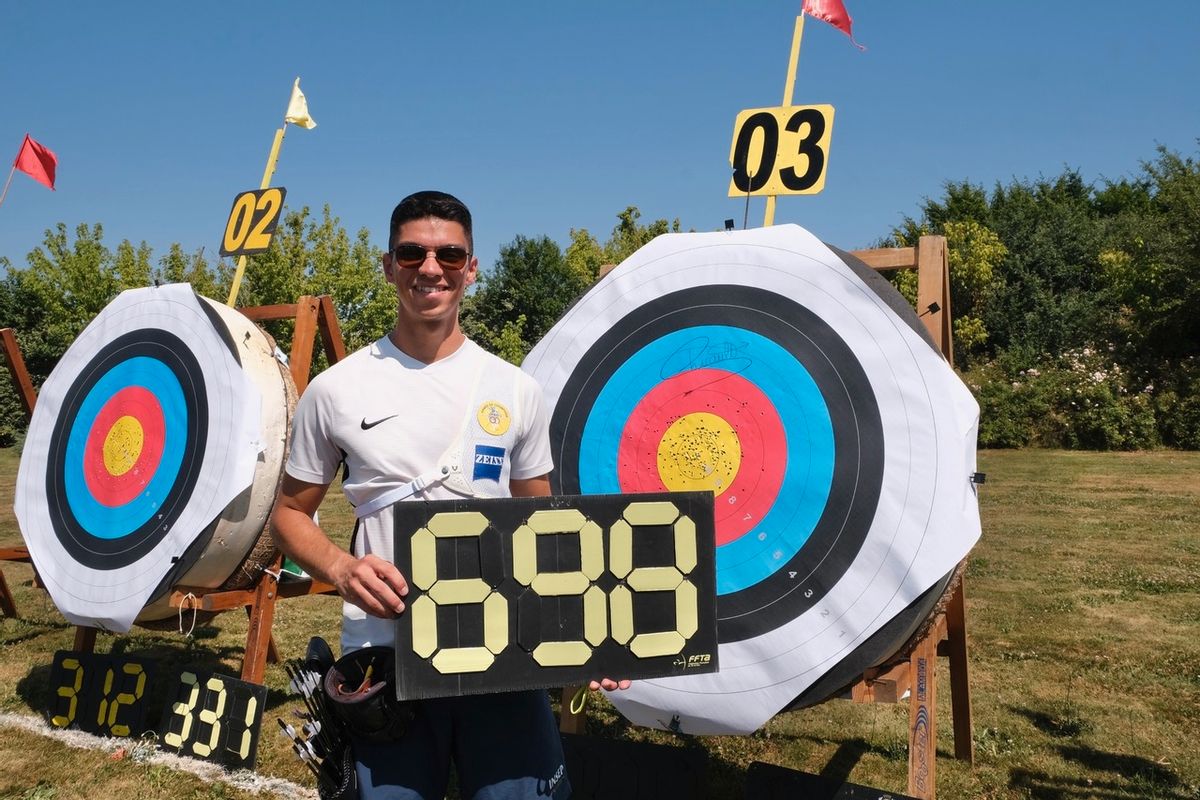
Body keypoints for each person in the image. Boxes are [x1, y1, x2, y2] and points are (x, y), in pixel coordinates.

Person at [271, 190, 628, 800]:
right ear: (389, 266)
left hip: (503, 655)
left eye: (448, 254)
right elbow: (287, 513)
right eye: (412, 253)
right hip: (386, 659)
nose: (430, 268)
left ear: (472, 266)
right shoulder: (334, 391)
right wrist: (342, 566)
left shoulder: (516, 390)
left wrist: (591, 633)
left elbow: (542, 524)